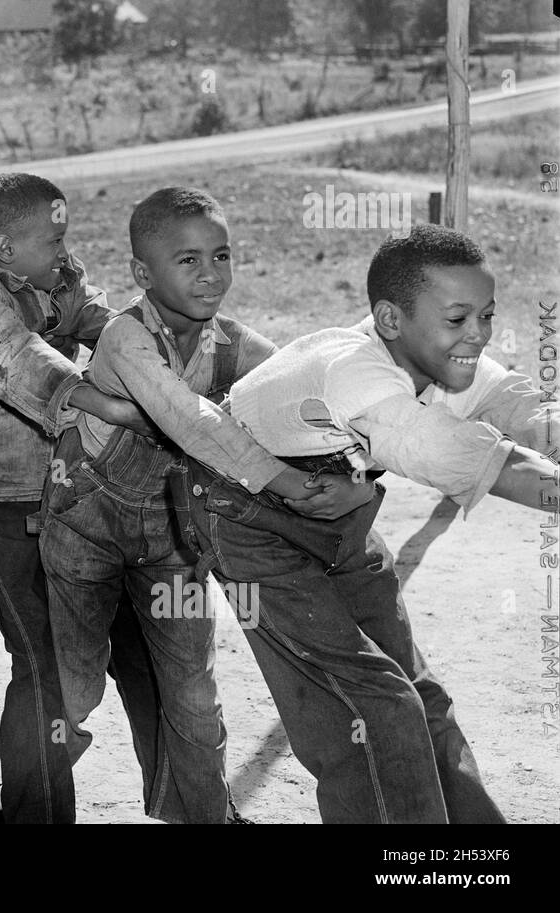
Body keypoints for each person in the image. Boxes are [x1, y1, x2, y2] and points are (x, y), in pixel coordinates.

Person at [188, 223, 559, 823]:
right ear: (390, 319)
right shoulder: (357, 372)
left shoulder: (435, 354)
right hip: (248, 528)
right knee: (370, 708)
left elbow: (524, 411)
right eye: (459, 319)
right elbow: (469, 458)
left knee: (423, 696)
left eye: (486, 317)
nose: (478, 336)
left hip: (340, 519)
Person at [37, 186, 362, 823]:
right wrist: (291, 485)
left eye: (221, 256)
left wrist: (356, 457)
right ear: (142, 273)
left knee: (193, 690)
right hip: (86, 528)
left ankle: (207, 815)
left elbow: (295, 391)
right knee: (73, 688)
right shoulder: (126, 340)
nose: (210, 275)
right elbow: (193, 422)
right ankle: (33, 796)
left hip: (171, 538)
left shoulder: (230, 342)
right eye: (188, 261)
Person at [0, 171, 132, 822]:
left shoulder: (53, 274)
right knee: (40, 655)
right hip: (1, 491)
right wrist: (115, 404)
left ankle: (32, 752)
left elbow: (107, 323)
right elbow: (21, 361)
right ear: (6, 249)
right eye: (53, 240)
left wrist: (160, 358)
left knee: (70, 643)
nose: (66, 251)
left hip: (58, 479)